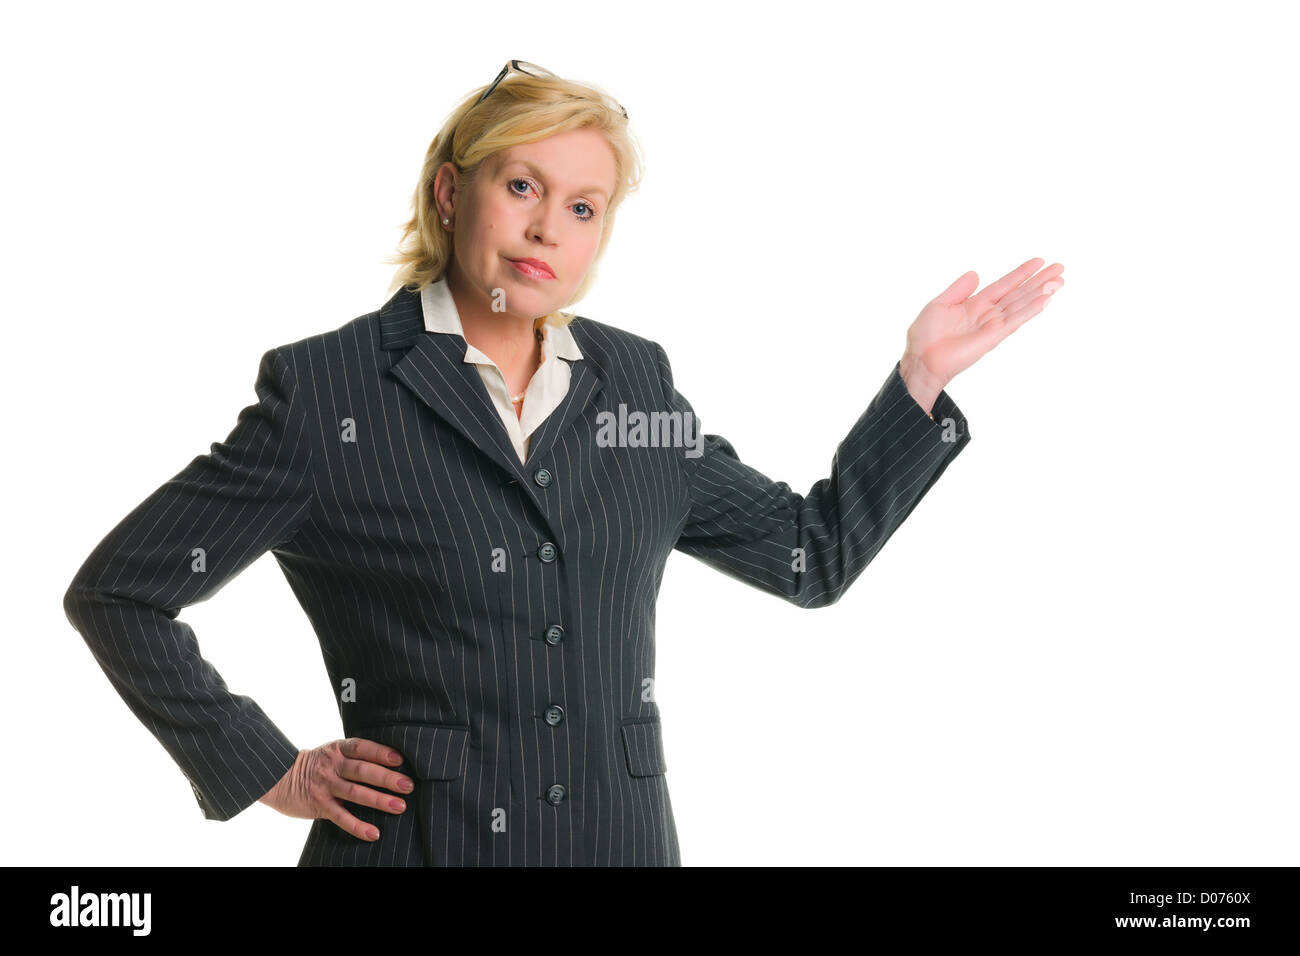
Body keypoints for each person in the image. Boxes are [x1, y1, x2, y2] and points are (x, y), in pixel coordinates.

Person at [62, 60, 1064, 866]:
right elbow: (121, 592)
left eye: (585, 207)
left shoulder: (632, 386)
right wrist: (268, 767)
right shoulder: (328, 395)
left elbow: (810, 555)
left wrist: (918, 378)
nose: (549, 228)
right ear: (453, 191)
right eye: (523, 186)